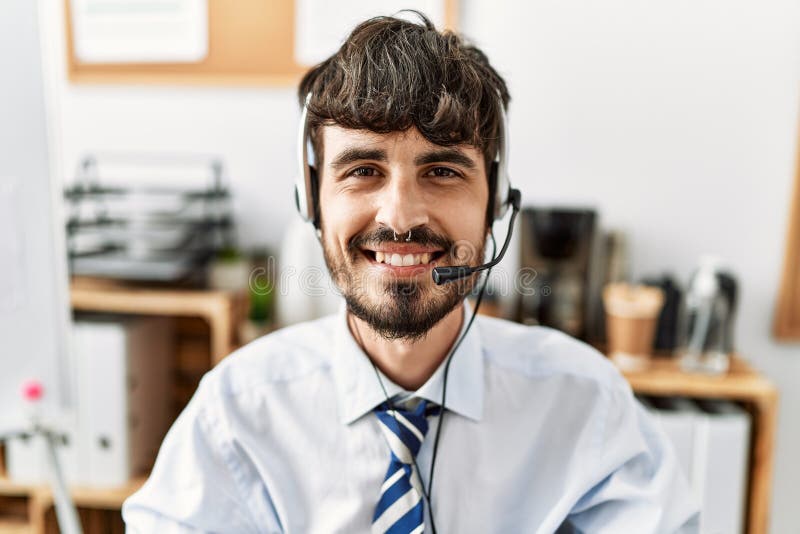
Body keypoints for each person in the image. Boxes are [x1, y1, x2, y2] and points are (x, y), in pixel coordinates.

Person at [123, 13, 699, 533]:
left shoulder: (585, 405)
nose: (400, 216)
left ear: (495, 201)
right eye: (363, 170)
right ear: (312, 202)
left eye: (443, 170)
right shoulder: (237, 416)